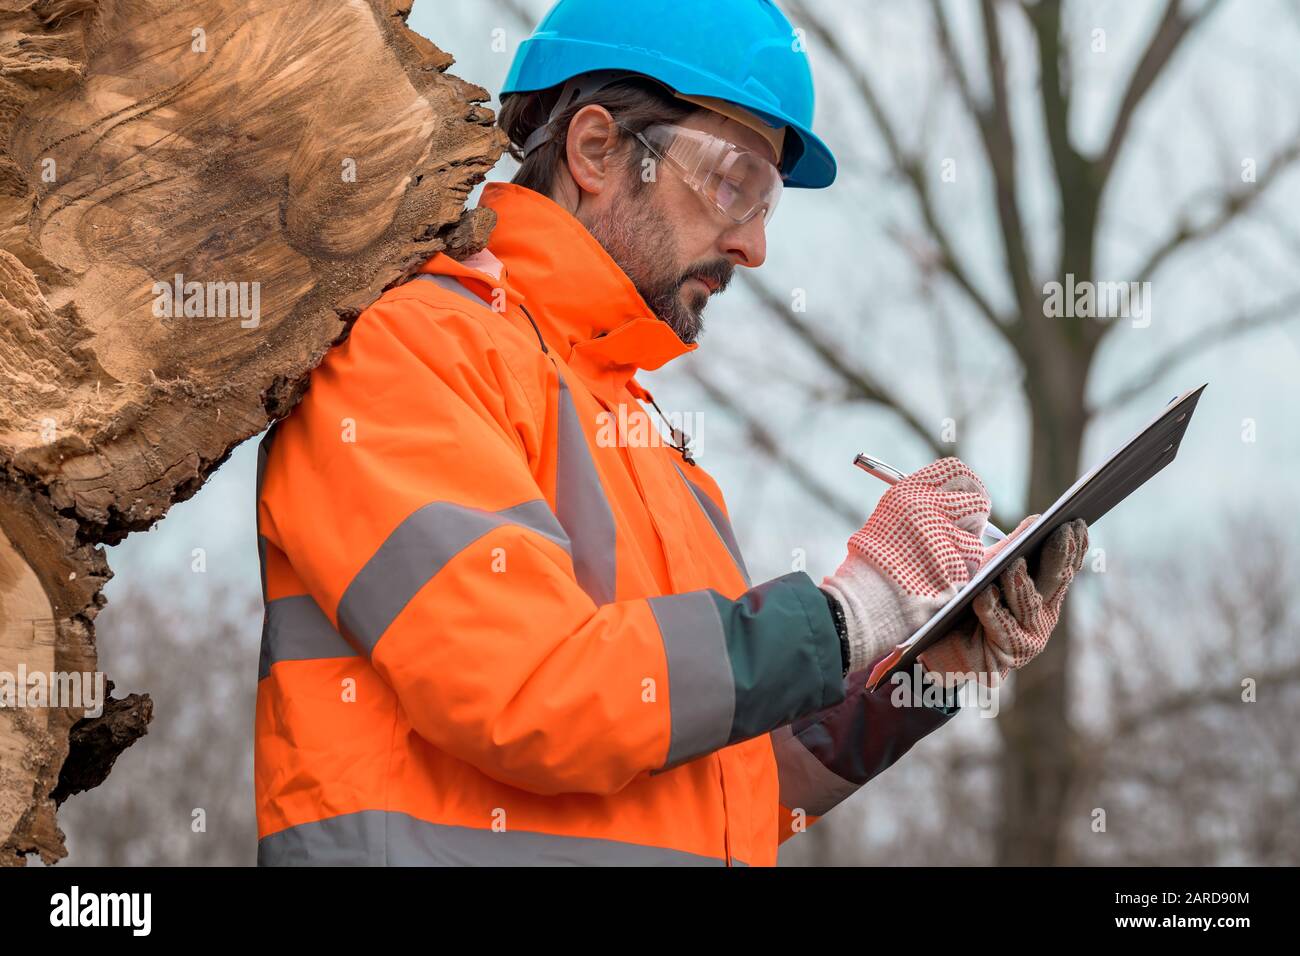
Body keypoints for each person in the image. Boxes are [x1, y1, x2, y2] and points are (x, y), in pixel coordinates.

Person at [251, 0, 1088, 866]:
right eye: (735, 182)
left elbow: (723, 789)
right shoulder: (411, 350)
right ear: (596, 150)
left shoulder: (645, 436)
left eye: (768, 204)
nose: (755, 246)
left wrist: (921, 663)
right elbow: (530, 693)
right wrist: (848, 613)